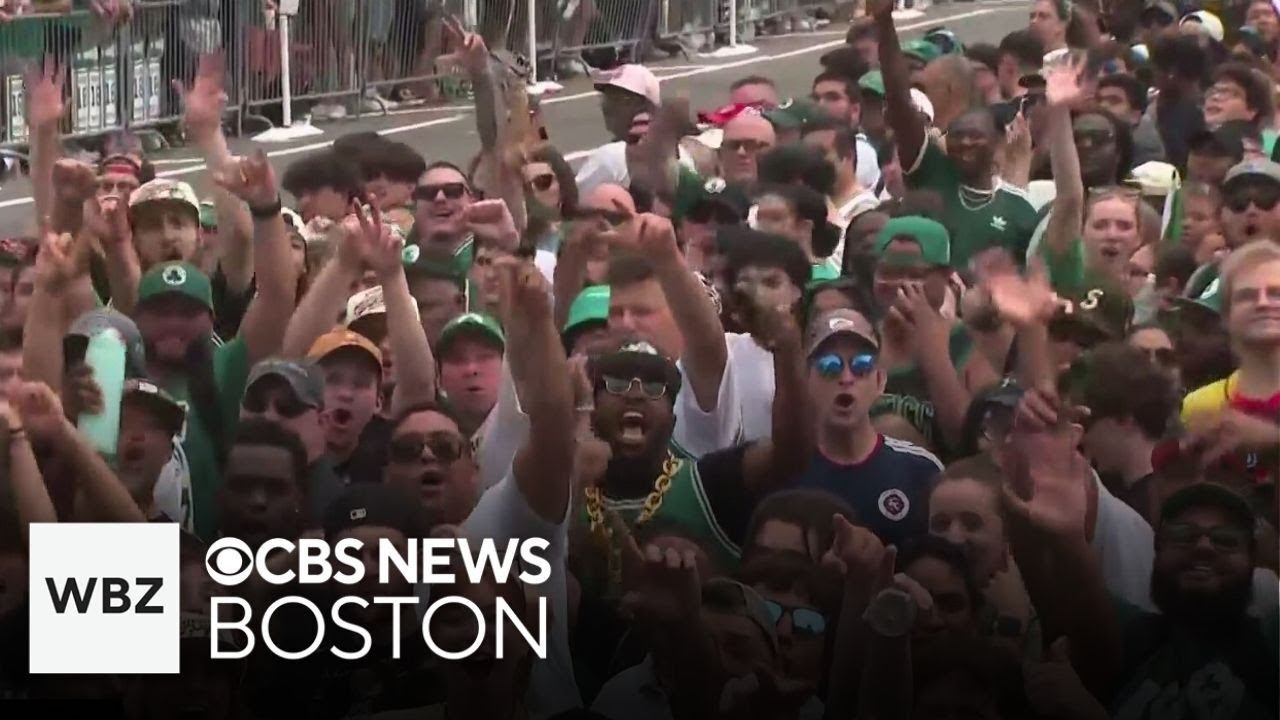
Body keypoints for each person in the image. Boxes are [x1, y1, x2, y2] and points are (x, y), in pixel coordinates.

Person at [873, 0, 1038, 270]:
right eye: (958, 135)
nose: (965, 142)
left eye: (975, 136)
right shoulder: (933, 168)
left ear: (996, 142)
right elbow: (899, 101)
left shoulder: (1019, 208)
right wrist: (884, 24)